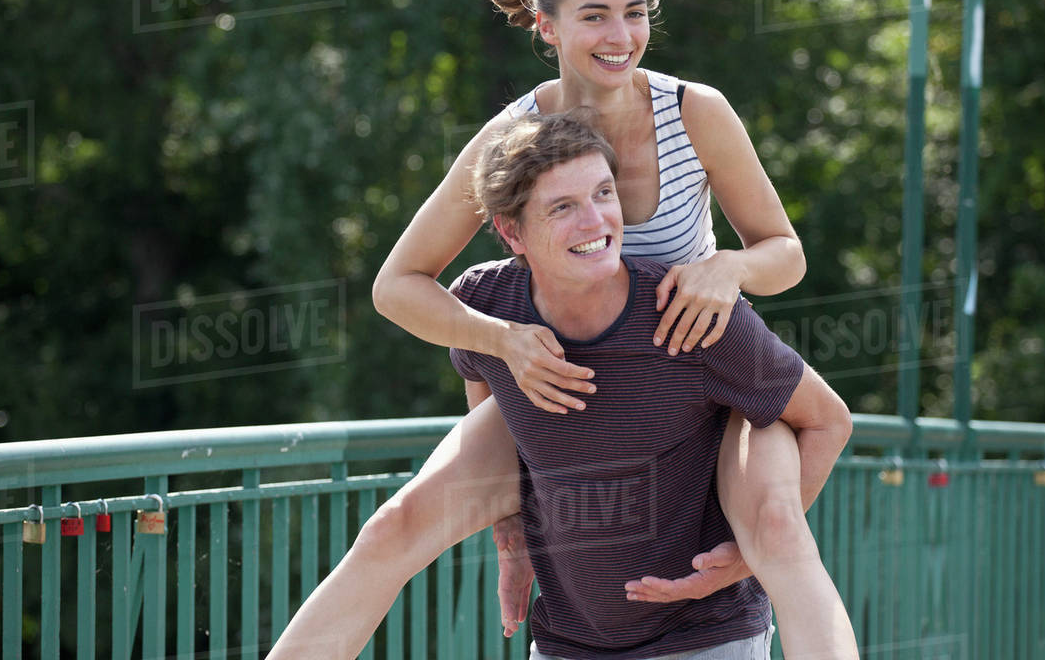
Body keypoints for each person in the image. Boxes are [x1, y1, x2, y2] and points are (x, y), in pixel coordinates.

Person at [269, 0, 856, 657]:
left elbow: (785, 254)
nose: (620, 36)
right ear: (546, 26)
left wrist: (731, 270)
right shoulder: (513, 140)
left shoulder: (696, 112)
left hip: (699, 382)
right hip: (564, 384)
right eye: (595, 16)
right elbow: (398, 288)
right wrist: (505, 346)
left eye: (635, 13)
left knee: (782, 532)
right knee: (394, 526)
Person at [267, 110, 856, 659]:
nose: (596, 220)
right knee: (389, 528)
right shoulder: (487, 304)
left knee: (780, 530)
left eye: (603, 194)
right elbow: (483, 386)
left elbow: (830, 419)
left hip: (699, 636)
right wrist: (509, 527)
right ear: (512, 232)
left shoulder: (691, 315)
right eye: (563, 207)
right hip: (570, 639)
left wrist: (745, 559)